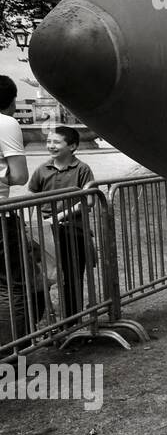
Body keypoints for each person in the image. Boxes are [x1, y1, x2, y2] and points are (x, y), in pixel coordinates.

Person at [28, 125, 96, 318]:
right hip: (47, 232)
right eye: (49, 141)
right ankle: (48, 319)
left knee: (73, 277)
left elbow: (88, 201)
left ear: (72, 146)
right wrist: (33, 224)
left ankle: (73, 321)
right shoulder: (42, 169)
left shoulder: (82, 169)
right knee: (45, 276)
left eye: (56, 142)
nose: (51, 145)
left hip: (73, 231)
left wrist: (59, 216)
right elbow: (32, 196)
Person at [0, 76, 31, 341]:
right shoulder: (7, 123)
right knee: (14, 285)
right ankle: (12, 354)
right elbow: (20, 176)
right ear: (11, 101)